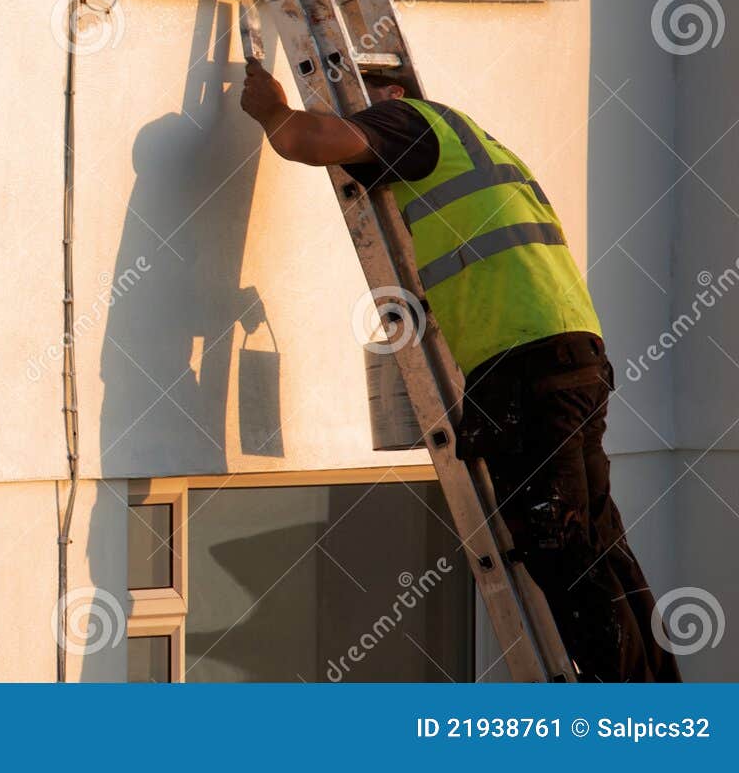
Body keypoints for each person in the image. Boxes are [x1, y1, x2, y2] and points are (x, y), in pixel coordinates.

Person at [238, 57, 681, 682]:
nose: (355, 115)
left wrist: (272, 110)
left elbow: (307, 140)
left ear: (396, 92)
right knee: (598, 542)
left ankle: (621, 715)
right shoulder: (478, 149)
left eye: (363, 99)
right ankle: (659, 702)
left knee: (556, 541)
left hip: (525, 362)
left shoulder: (409, 121)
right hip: (570, 352)